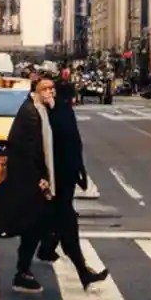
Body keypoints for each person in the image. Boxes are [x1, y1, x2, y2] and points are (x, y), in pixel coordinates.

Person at [35, 75, 109, 288]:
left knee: (56, 219)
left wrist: (80, 172)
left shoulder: (56, 112)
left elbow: (72, 143)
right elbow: (69, 142)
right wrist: (80, 172)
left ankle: (48, 250)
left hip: (60, 177)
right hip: (59, 178)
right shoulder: (57, 113)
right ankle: (80, 269)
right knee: (64, 222)